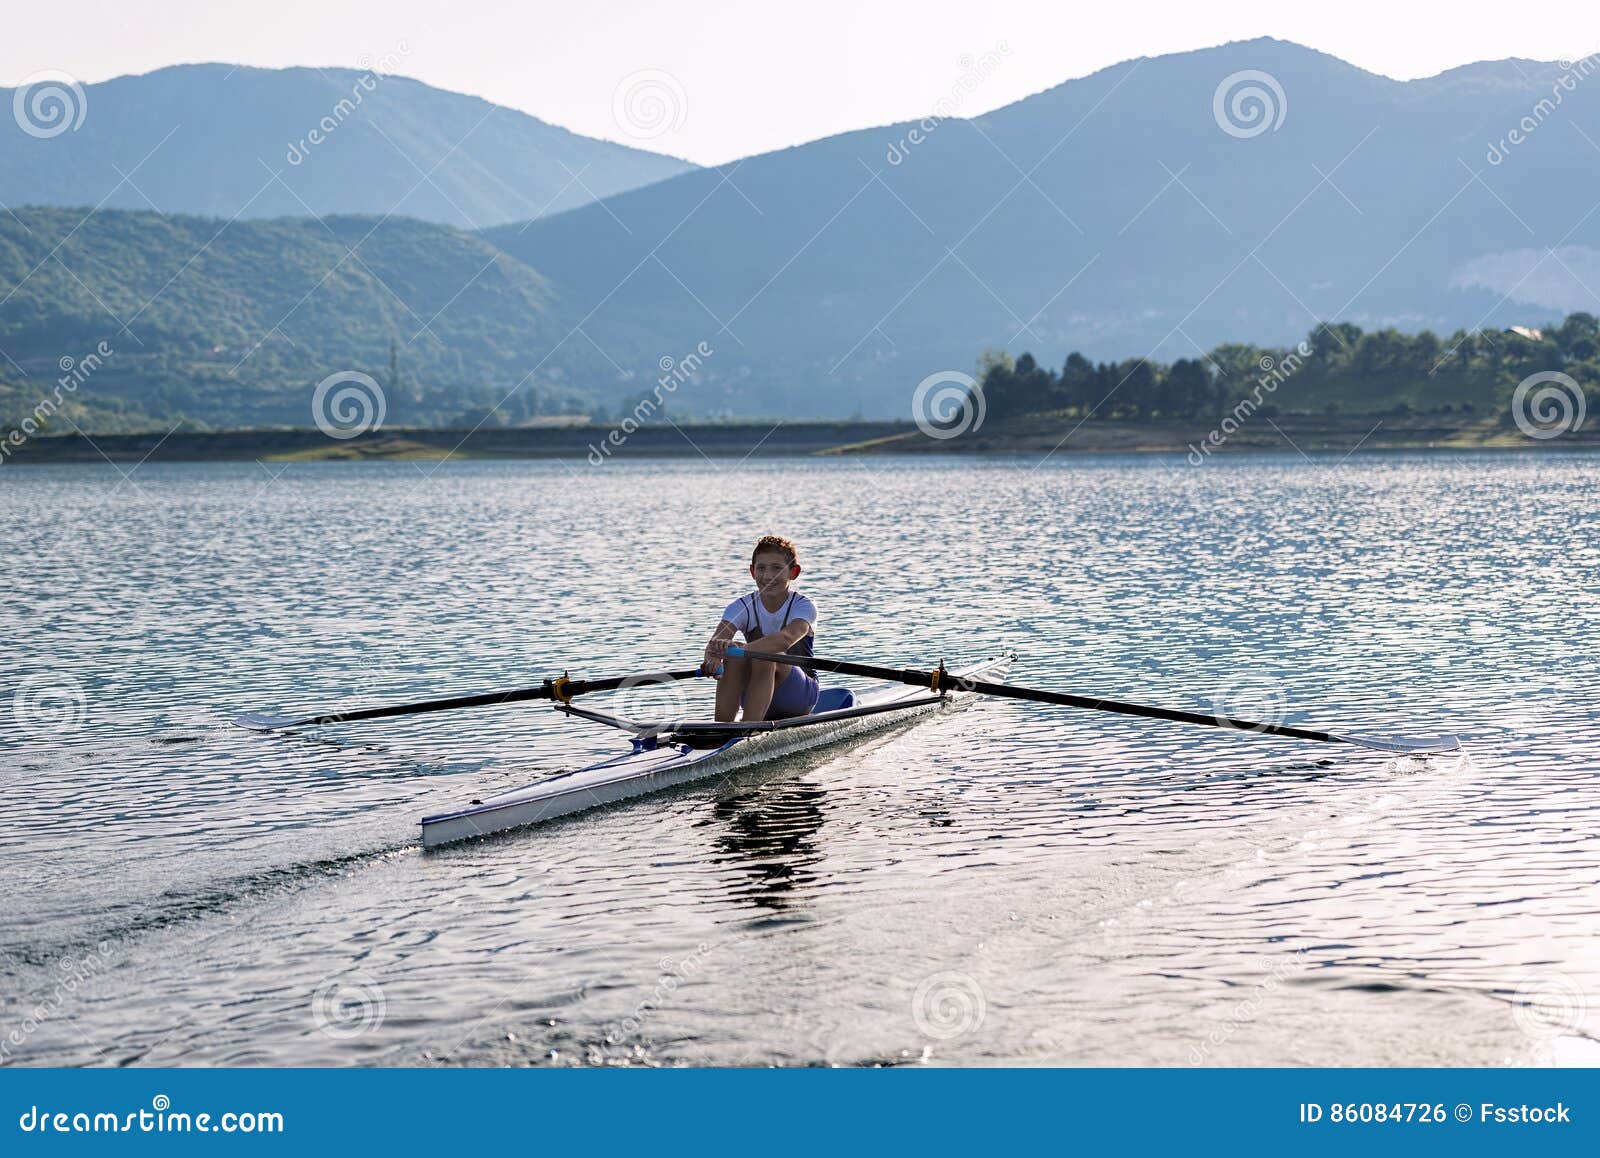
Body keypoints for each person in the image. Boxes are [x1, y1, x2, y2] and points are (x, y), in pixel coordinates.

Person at [702, 535, 819, 723]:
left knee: (764, 654)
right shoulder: (739, 606)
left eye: (777, 568)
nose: (768, 576)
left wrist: (741, 650)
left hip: (799, 697)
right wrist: (712, 658)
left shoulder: (804, 606)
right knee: (732, 653)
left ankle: (748, 729)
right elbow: (715, 644)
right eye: (761, 568)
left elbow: (785, 639)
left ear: (793, 572)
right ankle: (721, 730)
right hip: (755, 695)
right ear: (752, 571)